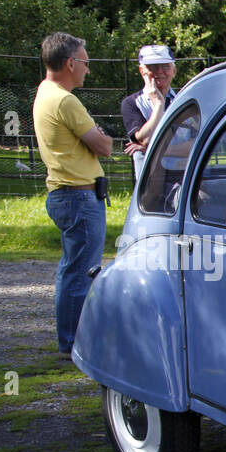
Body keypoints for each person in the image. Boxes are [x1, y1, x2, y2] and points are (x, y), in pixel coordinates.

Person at [33, 32, 113, 356]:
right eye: (85, 63)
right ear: (70, 63)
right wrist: (100, 137)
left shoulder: (44, 92)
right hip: (79, 198)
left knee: (73, 269)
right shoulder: (65, 100)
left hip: (66, 195)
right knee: (81, 272)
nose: (87, 70)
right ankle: (75, 342)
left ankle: (72, 338)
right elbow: (104, 146)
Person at [121, 44, 177, 178]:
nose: (159, 71)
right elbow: (146, 139)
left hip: (183, 178)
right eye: (152, 67)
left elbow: (194, 144)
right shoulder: (131, 103)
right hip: (150, 182)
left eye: (165, 66)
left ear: (174, 71)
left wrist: (152, 149)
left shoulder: (184, 100)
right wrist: (158, 104)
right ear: (142, 71)